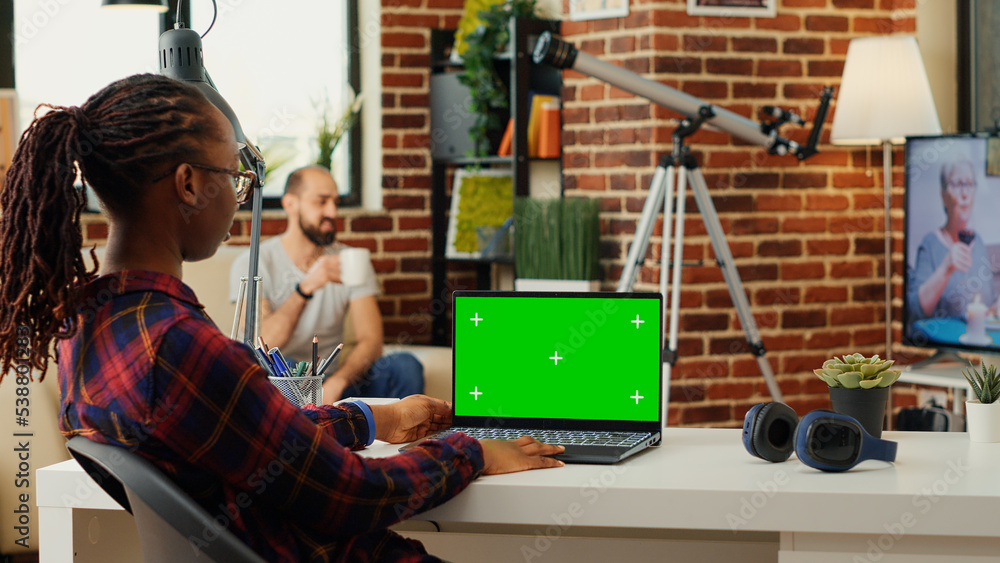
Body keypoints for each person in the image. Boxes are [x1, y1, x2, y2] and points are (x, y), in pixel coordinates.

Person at [0, 74, 563, 561]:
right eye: (234, 177)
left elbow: (250, 441)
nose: (241, 197)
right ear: (189, 184)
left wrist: (373, 419)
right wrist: (472, 451)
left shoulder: (82, 326)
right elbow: (351, 494)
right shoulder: (179, 345)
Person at [229, 166, 421, 403]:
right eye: (321, 202)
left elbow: (371, 340)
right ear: (290, 204)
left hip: (334, 385)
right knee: (280, 369)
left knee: (405, 367)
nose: (332, 211)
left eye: (335, 202)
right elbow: (264, 345)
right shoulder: (253, 262)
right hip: (282, 384)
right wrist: (305, 288)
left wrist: (338, 382)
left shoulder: (350, 260)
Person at [908, 158, 999, 322]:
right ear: (944, 194)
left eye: (969, 184)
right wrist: (946, 268)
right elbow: (915, 311)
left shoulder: (977, 241)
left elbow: (991, 302)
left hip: (980, 336)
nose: (965, 194)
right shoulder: (930, 244)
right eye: (957, 184)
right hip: (945, 336)